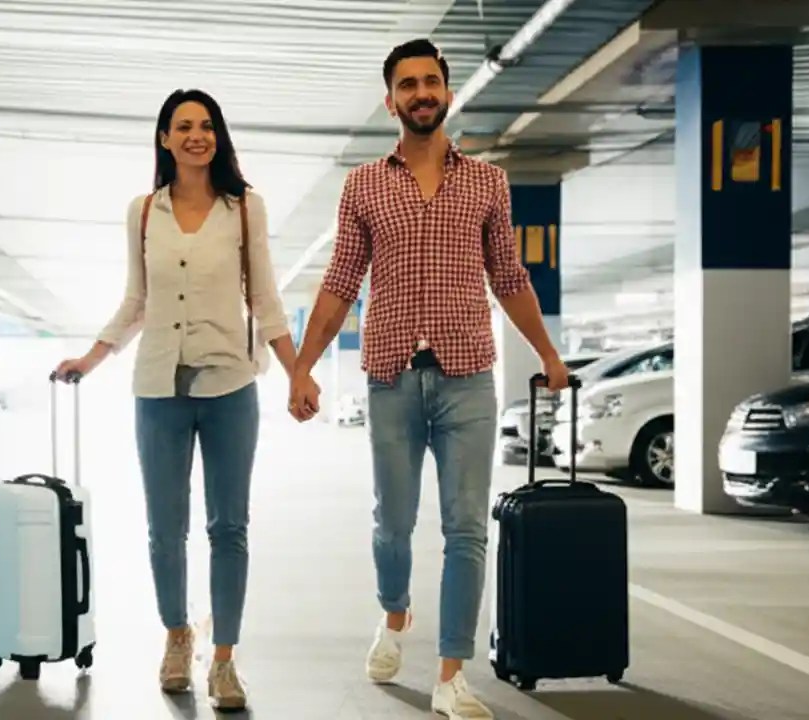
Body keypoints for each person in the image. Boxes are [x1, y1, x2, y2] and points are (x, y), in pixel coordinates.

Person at [287, 39, 569, 719]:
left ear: (446, 94)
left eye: (431, 82)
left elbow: (509, 277)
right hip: (389, 376)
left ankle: (451, 675)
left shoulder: (487, 183)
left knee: (467, 528)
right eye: (407, 84)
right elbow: (340, 282)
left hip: (468, 375)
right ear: (391, 101)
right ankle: (394, 615)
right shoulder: (363, 185)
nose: (421, 92)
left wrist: (549, 356)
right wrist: (301, 365)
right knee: (392, 525)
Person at [53, 88, 307, 711]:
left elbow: (266, 300)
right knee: (165, 529)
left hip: (231, 387)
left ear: (218, 136)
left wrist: (297, 373)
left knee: (229, 527)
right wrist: (92, 357)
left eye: (206, 125)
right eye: (183, 126)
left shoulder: (245, 209)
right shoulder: (144, 212)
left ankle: (224, 661)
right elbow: (136, 300)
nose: (196, 135)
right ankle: (176, 637)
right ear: (165, 139)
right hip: (157, 389)